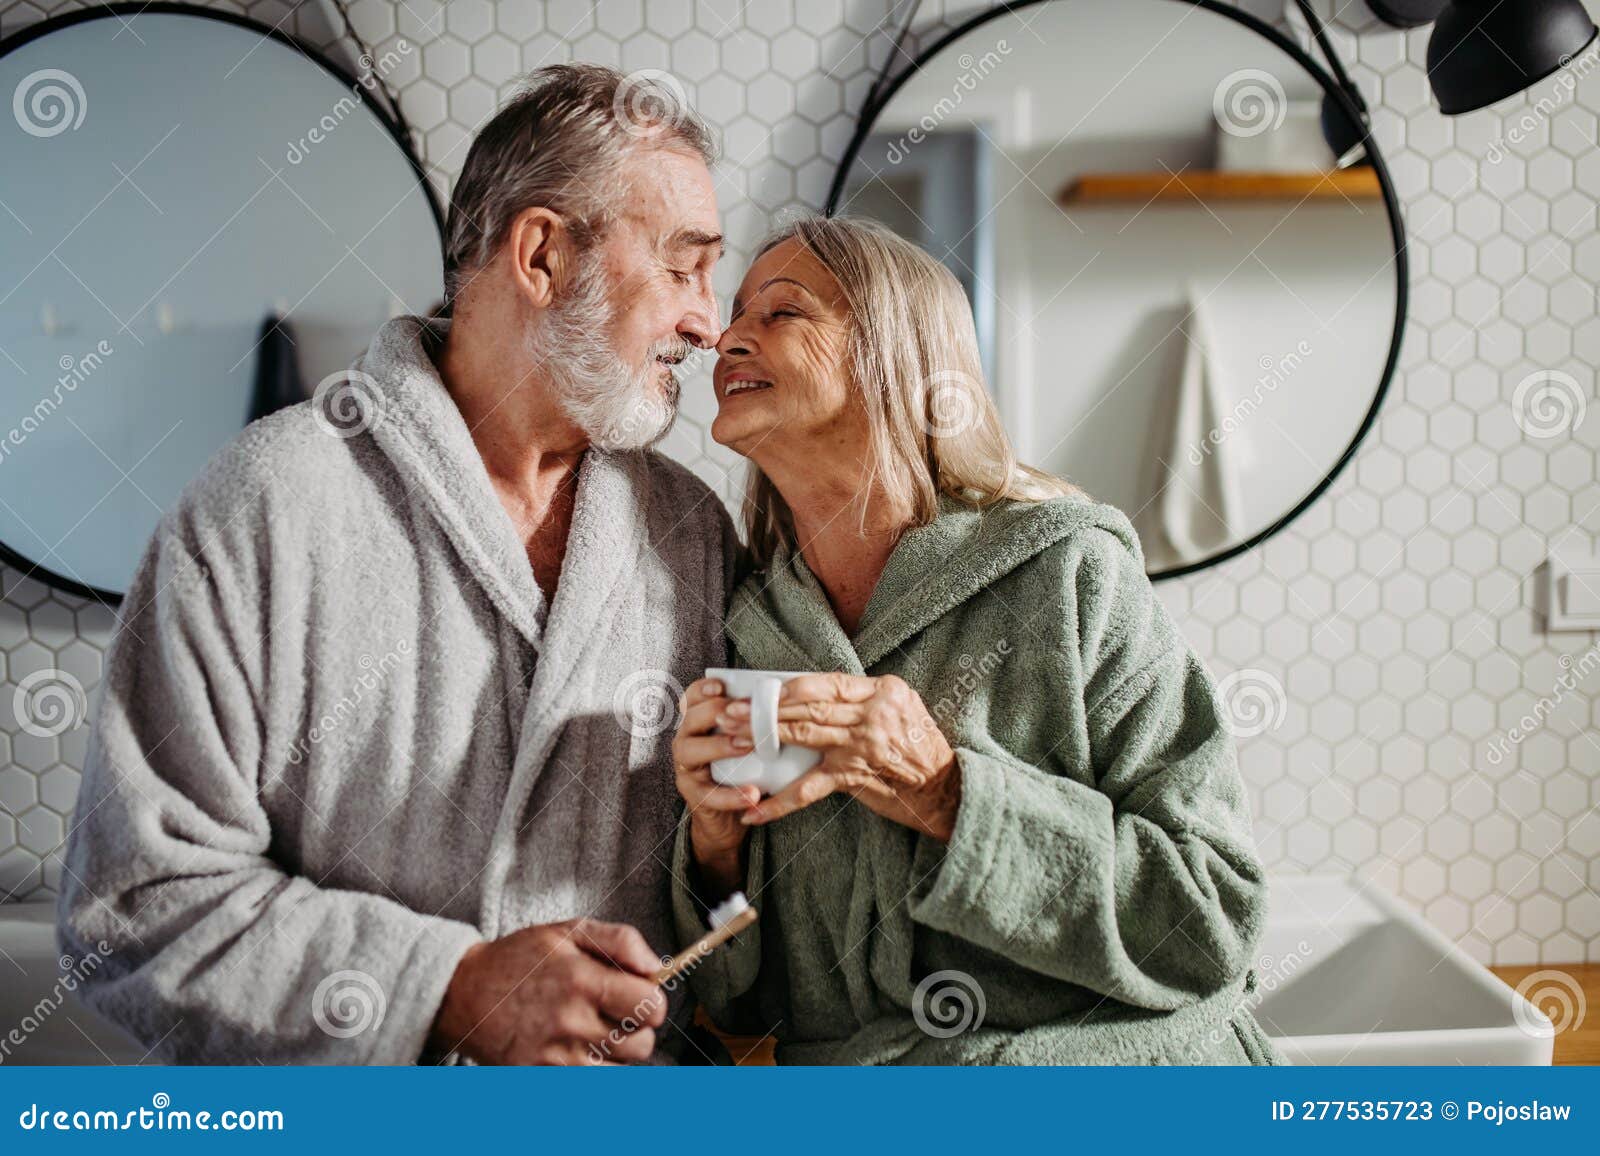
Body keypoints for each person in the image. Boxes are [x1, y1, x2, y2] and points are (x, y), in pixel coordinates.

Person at [58, 64, 736, 1066]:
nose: (706, 322)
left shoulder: (687, 530)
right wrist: (446, 989)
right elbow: (133, 903)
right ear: (542, 255)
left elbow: (725, 889)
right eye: (682, 268)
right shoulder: (271, 504)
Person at [669, 216, 1281, 1065]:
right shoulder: (750, 629)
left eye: (781, 313)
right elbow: (736, 1004)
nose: (727, 338)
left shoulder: (1069, 575)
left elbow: (1212, 921)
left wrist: (947, 794)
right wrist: (715, 845)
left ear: (896, 353)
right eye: (735, 316)